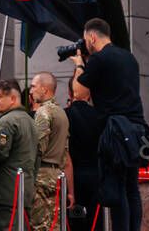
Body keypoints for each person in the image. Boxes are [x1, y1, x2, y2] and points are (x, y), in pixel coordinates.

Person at [70, 19, 146, 231]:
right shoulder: (130, 58)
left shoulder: (99, 59)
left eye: (86, 41)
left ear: (92, 37)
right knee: (132, 187)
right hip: (136, 128)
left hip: (114, 130)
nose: (86, 45)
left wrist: (79, 65)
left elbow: (79, 93)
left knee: (117, 187)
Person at [0, 80, 38, 231]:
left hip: (5, 193)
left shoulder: (6, 122)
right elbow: (38, 156)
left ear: (13, 98)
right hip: (23, 190)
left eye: (0, 96)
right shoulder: (30, 120)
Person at [29, 72, 73, 231]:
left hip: (42, 175)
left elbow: (37, 148)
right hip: (57, 175)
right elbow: (66, 154)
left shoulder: (43, 112)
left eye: (34, 86)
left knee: (40, 224)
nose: (30, 91)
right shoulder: (62, 113)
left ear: (44, 89)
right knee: (55, 225)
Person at [65, 81, 102, 231]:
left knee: (76, 222)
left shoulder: (65, 115)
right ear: (91, 95)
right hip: (96, 176)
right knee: (96, 221)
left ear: (70, 93)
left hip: (73, 177)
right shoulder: (100, 116)